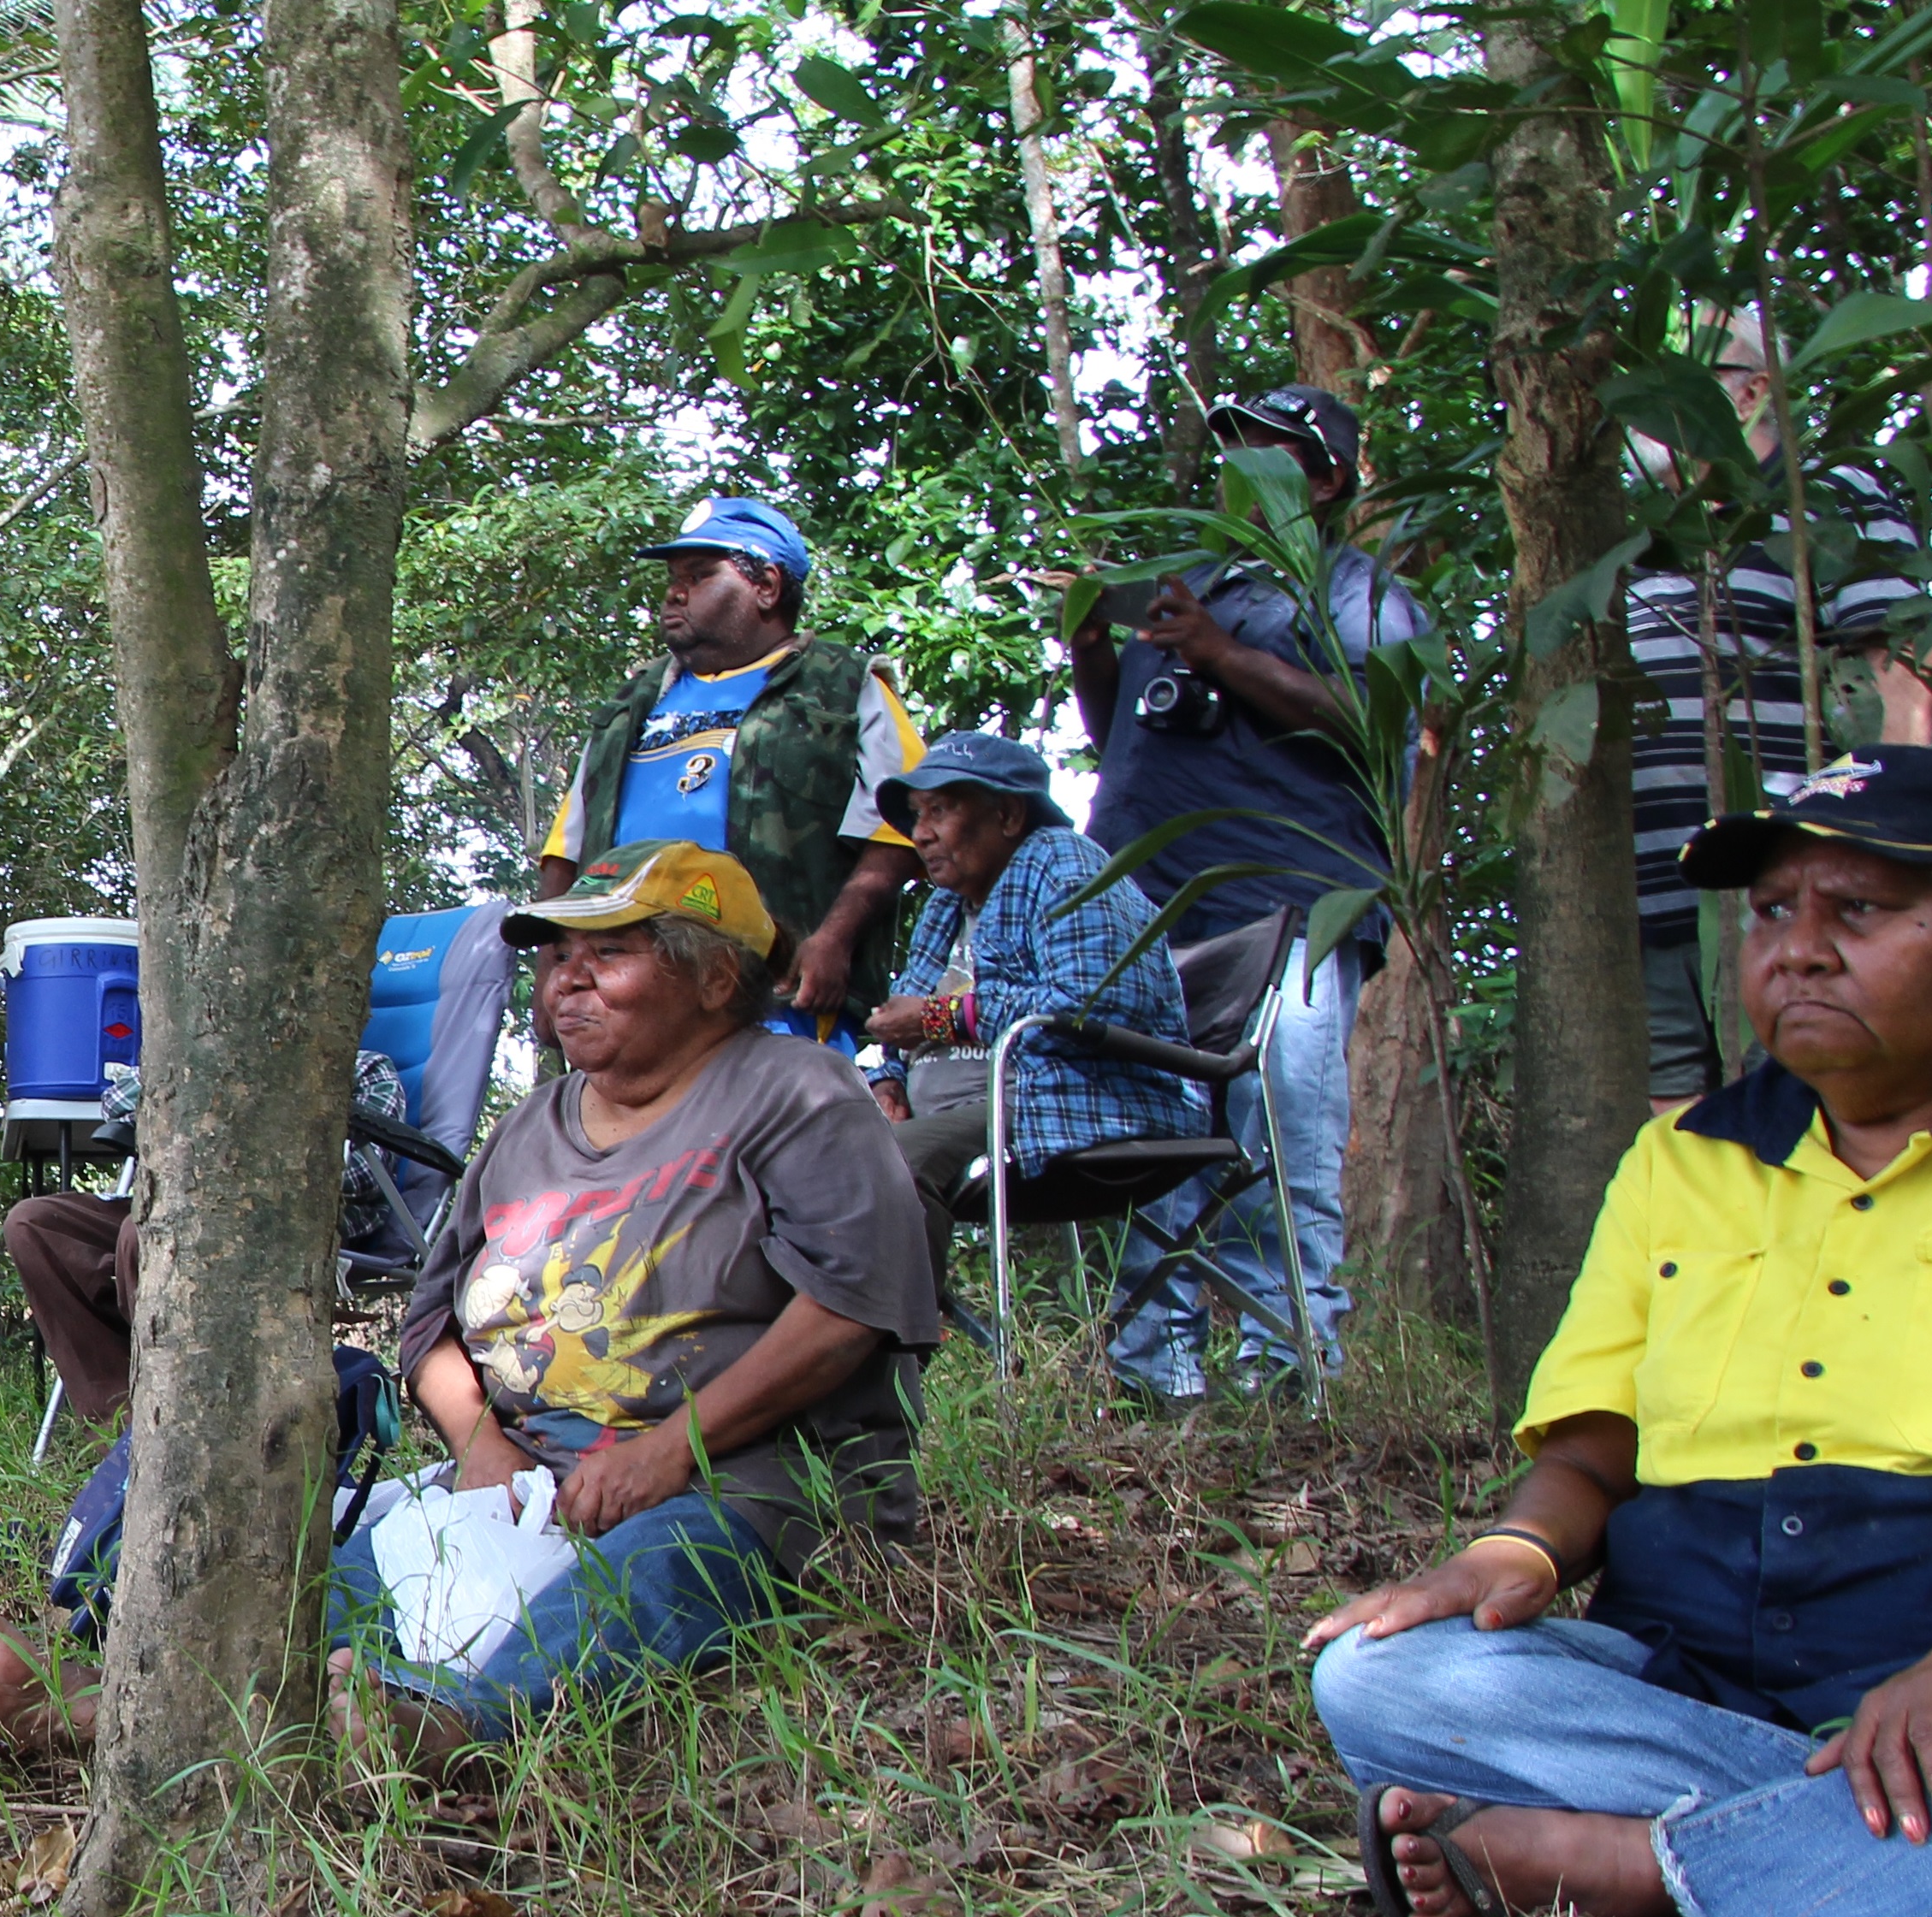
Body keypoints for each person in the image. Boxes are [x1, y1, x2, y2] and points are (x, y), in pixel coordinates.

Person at [0, 844, 943, 1764]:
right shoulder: (532, 1126)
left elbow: (848, 1307)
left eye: (608, 953)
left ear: (717, 976)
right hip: (523, 1481)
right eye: (555, 956)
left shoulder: (796, 1095)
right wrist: (479, 1443)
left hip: (733, 1478)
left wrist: (670, 1448)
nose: (566, 980)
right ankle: (122, 1706)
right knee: (324, 1594)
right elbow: (429, 1327)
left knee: (653, 1572)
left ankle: (450, 1730)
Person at [1309, 746, 1932, 1917]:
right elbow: (1591, 1452)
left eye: (1858, 910)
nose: (1798, 950)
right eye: (1771, 911)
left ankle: (1630, 1861)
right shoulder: (1681, 1158)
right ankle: (1850, 1842)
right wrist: (1511, 1552)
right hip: (1687, 1676)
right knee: (1378, 1677)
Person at [1072, 383, 1427, 1406]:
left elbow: (1372, 726)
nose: (1239, 470)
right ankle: (1154, 1382)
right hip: (1147, 909)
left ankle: (1289, 1381)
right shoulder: (1194, 583)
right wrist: (1094, 648)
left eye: (1269, 453)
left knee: (1280, 1145)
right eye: (1231, 450)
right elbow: (1123, 732)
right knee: (1149, 1148)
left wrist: (1219, 650)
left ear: (1325, 481)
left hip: (1290, 904)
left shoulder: (1358, 593)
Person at [1622, 309, 1932, 1107]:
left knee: (1806, 1117)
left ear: (1751, 391)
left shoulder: (1821, 494)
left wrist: (1879, 854)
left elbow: (1904, 668)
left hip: (1780, 896)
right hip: (1645, 905)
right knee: (1680, 1142)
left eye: (1680, 379)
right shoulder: (1632, 537)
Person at [536, 496, 927, 1027]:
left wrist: (833, 939)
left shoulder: (842, 685)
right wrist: (552, 974)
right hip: (625, 1003)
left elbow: (902, 826)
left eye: (699, 576)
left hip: (776, 997)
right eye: (673, 578)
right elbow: (566, 849)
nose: (675, 593)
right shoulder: (633, 703)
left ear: (766, 585)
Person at [862, 732, 1209, 1288]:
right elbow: (901, 1016)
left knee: (887, 1164)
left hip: (1061, 1102)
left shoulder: (1062, 864)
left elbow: (1094, 1002)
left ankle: (889, 1342)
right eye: (916, 814)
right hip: (958, 1117)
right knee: (801, 1155)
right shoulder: (946, 904)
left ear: (1007, 815)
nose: (920, 833)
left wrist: (938, 1018)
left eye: (940, 810)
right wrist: (888, 1085)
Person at [1, 1190, 141, 1428]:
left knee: (136, 1234)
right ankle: (118, 1428)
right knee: (27, 1221)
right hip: (147, 1199)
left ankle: (172, 1405)